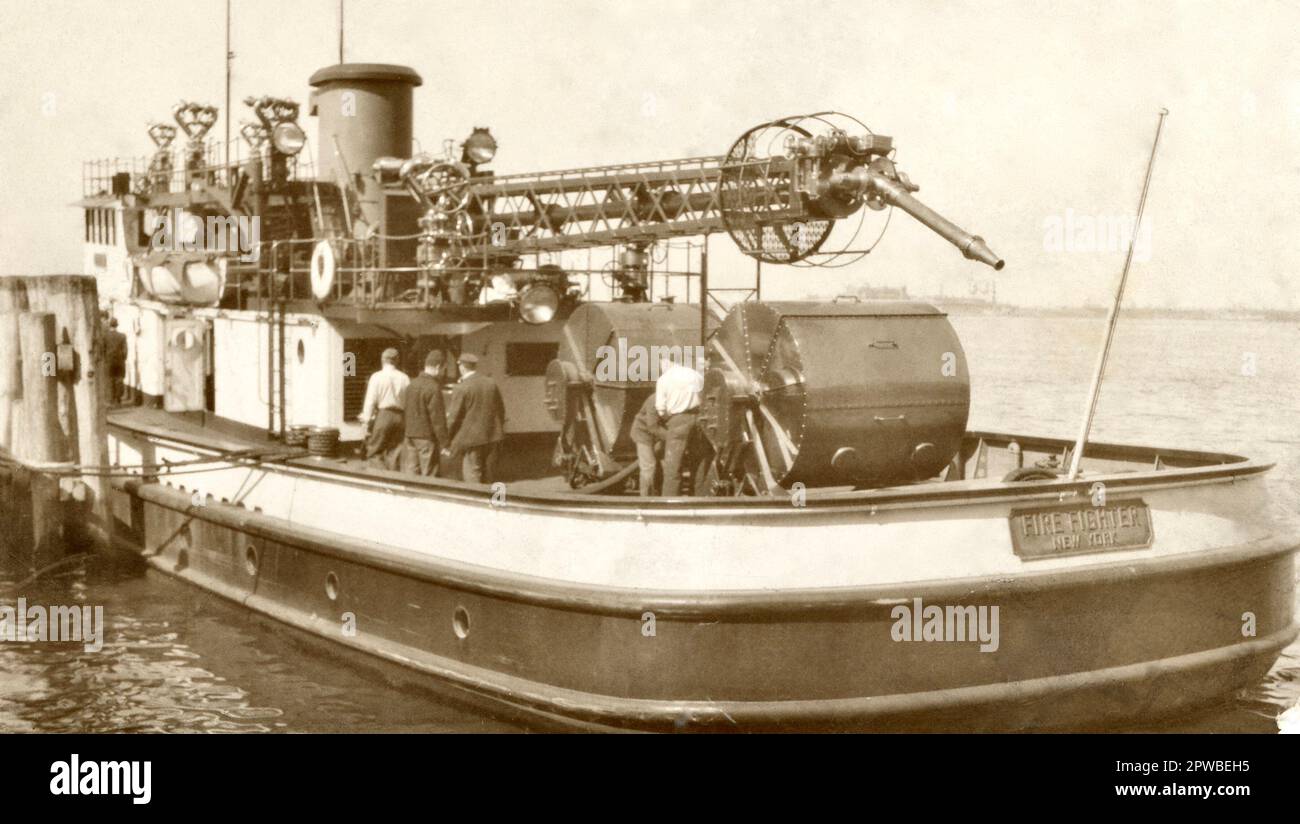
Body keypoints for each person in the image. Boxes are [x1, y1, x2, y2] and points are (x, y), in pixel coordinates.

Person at [445, 352, 506, 484]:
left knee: (473, 474)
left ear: (461, 367)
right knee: (489, 475)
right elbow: (501, 410)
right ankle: (493, 502)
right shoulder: (491, 383)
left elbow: (453, 418)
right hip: (493, 436)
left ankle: (475, 502)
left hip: (472, 440)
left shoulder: (461, 387)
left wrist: (447, 438)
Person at [653, 353, 703, 497]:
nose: (661, 366)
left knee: (672, 466)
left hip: (678, 422)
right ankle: (699, 498)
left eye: (661, 363)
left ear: (666, 362)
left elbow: (660, 408)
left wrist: (668, 419)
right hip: (698, 420)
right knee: (697, 462)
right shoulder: (695, 375)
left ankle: (670, 502)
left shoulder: (664, 379)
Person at [358, 347, 409, 470]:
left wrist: (366, 420)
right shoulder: (405, 378)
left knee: (375, 451)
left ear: (382, 360)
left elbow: (370, 401)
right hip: (400, 417)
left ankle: (380, 478)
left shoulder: (377, 377)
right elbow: (408, 400)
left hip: (384, 416)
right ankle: (393, 480)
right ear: (397, 361)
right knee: (395, 452)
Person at [403, 350, 449, 476]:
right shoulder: (433, 387)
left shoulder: (412, 384)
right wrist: (444, 442)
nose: (443, 373)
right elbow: (437, 419)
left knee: (411, 473)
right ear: (438, 367)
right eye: (444, 369)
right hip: (426, 438)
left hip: (410, 435)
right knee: (430, 474)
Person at [630, 392, 666, 496]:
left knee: (662, 465)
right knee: (648, 467)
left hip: (658, 435)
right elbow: (652, 426)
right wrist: (670, 437)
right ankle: (645, 499)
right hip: (643, 433)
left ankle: (658, 494)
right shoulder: (655, 399)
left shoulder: (674, 397)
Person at [104, 317, 128, 404]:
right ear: (117, 325)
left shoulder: (105, 336)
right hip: (120, 361)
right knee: (119, 379)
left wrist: (105, 359)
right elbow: (125, 350)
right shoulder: (122, 336)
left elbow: (103, 349)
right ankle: (118, 398)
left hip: (109, 361)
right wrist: (123, 358)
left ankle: (111, 399)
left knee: (110, 379)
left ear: (110, 325)